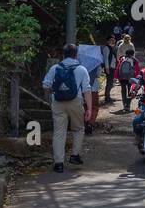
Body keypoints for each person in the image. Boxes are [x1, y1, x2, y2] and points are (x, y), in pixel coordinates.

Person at [42, 44, 93, 174]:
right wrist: (89, 109)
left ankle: (58, 163)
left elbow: (46, 85)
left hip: (58, 101)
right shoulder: (81, 69)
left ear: (63, 55)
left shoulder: (55, 68)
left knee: (59, 132)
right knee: (78, 129)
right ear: (76, 55)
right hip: (75, 102)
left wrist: (50, 98)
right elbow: (87, 90)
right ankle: (75, 156)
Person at [101, 35, 119, 105]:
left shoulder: (113, 48)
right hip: (109, 68)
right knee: (109, 83)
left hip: (112, 67)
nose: (113, 41)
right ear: (108, 41)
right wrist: (107, 68)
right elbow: (105, 59)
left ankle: (108, 96)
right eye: (111, 40)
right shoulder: (106, 48)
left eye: (114, 40)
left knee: (111, 83)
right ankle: (107, 97)